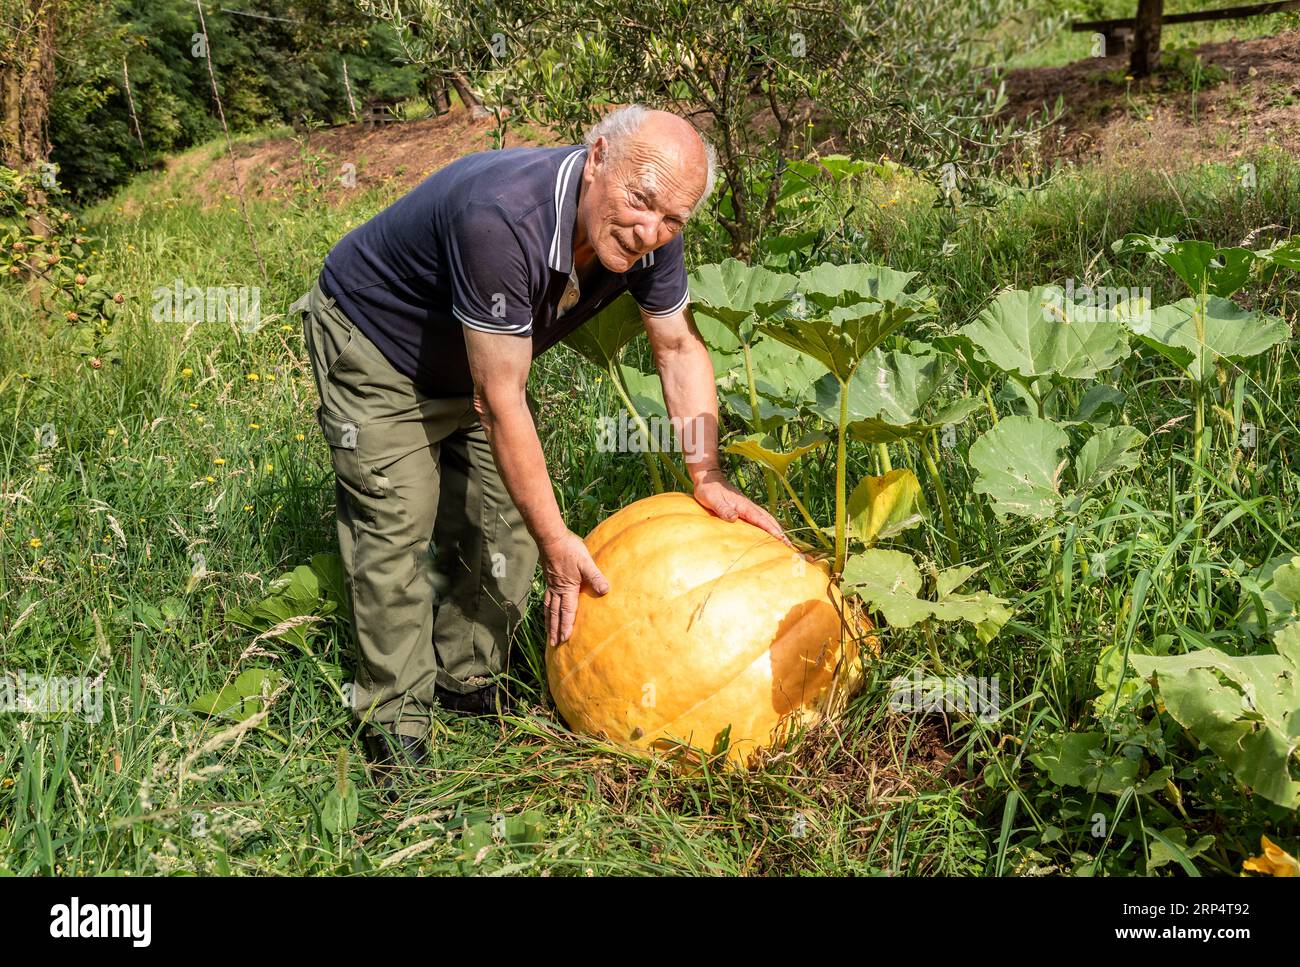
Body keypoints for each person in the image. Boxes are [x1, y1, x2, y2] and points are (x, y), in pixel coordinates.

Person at [293, 104, 786, 776]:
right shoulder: (501, 217)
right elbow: (500, 401)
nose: (651, 231)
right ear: (598, 156)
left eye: (673, 219)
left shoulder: (653, 234)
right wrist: (563, 545)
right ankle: (394, 728)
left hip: (475, 360)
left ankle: (467, 683)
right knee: (397, 525)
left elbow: (676, 347)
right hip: (378, 344)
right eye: (642, 202)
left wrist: (707, 474)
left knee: (506, 526)